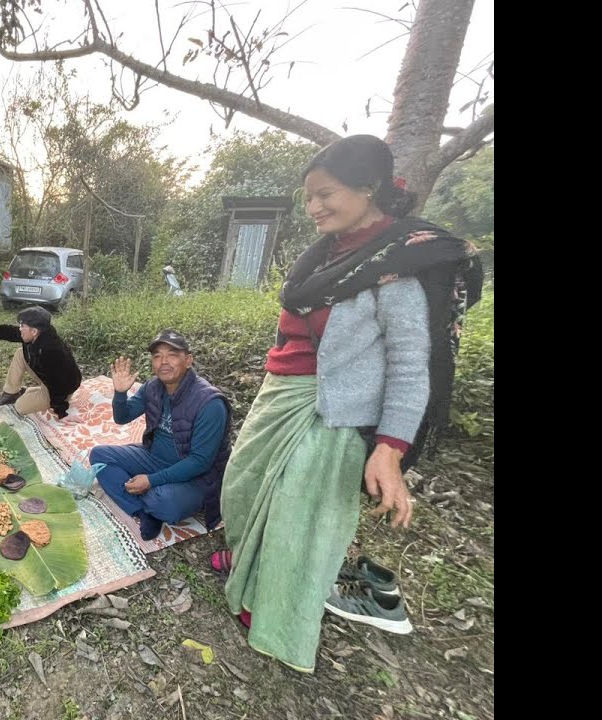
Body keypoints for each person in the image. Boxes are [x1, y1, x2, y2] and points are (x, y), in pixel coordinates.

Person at [212, 134, 484, 673]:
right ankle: (245, 561)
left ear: (368, 188)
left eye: (325, 194)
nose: (313, 208)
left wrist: (390, 449)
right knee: (243, 487)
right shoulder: (328, 258)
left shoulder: (396, 269)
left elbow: (411, 368)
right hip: (281, 394)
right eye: (308, 197)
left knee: (299, 518)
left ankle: (272, 607)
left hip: (331, 412)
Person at [91, 329, 231, 541]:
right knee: (99, 456)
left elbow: (201, 462)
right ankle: (142, 512)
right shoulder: (153, 387)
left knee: (164, 503)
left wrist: (151, 480)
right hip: (154, 458)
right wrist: (119, 393)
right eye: (157, 356)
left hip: (198, 476)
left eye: (172, 354)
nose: (163, 361)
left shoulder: (210, 403)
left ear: (188, 360)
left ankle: (151, 502)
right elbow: (122, 418)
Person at [0, 306, 82, 421]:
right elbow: (8, 331)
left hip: (62, 389)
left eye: (22, 326)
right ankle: (10, 394)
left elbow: (58, 383)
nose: (19, 329)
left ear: (33, 331)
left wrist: (62, 412)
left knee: (20, 407)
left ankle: (32, 394)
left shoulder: (51, 351)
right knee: (20, 353)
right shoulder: (37, 333)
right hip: (49, 378)